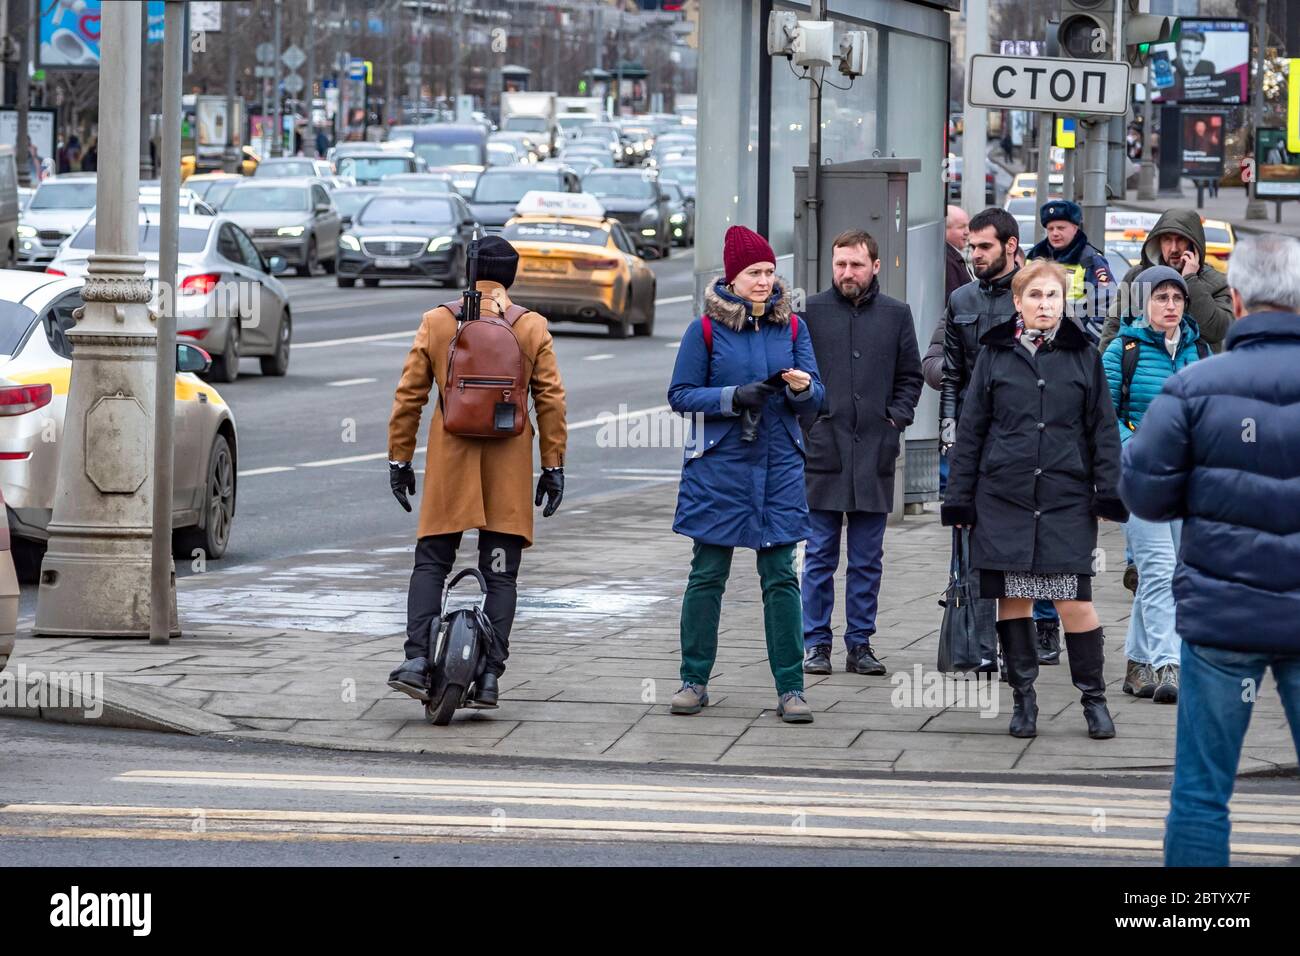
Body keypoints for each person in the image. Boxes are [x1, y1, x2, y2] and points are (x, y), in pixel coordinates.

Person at [1122, 235, 1300, 867]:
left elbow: (1144, 493)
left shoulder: (1195, 387)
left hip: (1223, 618)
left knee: (1202, 795)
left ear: (1240, 298)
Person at [942, 259, 1128, 740]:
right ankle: (1024, 700)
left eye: (1052, 296)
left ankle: (1094, 700)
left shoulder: (1084, 353)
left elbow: (1103, 430)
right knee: (1015, 599)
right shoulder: (995, 353)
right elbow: (972, 431)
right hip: (1004, 497)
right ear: (1018, 302)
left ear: (1063, 302)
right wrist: (960, 500)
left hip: (1065, 499)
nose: (1045, 305)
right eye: (1035, 296)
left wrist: (1108, 492)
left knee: (1074, 603)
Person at [386, 236, 567, 709]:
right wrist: (553, 466)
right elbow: (550, 402)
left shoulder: (439, 321)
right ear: (511, 275)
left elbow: (409, 397)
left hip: (452, 466)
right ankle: (488, 677)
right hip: (507, 470)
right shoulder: (531, 327)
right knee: (500, 576)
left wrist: (399, 459)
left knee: (431, 563)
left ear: (471, 273)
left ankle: (415, 662)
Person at [667, 225, 824, 724]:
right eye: (755, 273)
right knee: (707, 574)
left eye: (770, 272)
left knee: (781, 578)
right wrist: (733, 397)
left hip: (778, 466)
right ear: (732, 277)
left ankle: (791, 689)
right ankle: (693, 680)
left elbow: (817, 396)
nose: (765, 281)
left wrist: (801, 389)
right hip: (719, 468)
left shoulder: (794, 328)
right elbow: (680, 394)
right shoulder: (705, 330)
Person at [800, 229, 922, 676]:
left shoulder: (896, 315)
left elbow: (911, 375)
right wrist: (811, 423)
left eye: (855, 264)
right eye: (840, 264)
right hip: (822, 452)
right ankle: (815, 643)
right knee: (818, 555)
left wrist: (895, 418)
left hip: (875, 450)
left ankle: (860, 643)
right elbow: (793, 374)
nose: (846, 273)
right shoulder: (810, 312)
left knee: (868, 558)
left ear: (874, 265)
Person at [1103, 266, 1208, 706]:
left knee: (1169, 572)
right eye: (1160, 298)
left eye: (1176, 298)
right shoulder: (1120, 350)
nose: (1169, 306)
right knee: (1161, 569)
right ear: (1142, 303)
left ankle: (1136, 664)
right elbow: (1102, 418)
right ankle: (1170, 663)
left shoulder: (1197, 349)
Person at [1099, 209, 1234, 355]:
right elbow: (1113, 325)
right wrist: (1104, 370)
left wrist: (1191, 281)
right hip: (1144, 371)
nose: (1174, 248)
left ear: (1194, 244)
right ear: (1159, 242)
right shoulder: (1137, 276)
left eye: (1181, 240)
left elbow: (1217, 331)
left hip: (1196, 371)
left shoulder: (1217, 282)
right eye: (1167, 240)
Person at [1026, 199, 1114, 342]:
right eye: (1050, 229)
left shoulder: (1090, 259)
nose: (1055, 233)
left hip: (1075, 343)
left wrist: (1087, 340)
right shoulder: (1033, 258)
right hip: (1037, 341)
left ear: (1075, 228)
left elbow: (1106, 304)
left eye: (1061, 228)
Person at [944, 205, 973, 301]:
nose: (967, 232)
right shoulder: (946, 261)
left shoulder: (950, 256)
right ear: (944, 229)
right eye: (961, 227)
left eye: (967, 226)